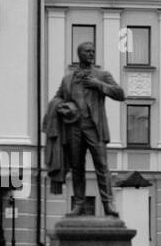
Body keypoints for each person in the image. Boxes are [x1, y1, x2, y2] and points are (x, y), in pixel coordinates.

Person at [49, 42, 125, 216]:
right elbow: (57, 99)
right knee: (77, 167)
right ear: (79, 54)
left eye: (93, 51)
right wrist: (62, 108)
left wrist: (98, 84)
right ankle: (79, 204)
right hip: (74, 127)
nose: (91, 54)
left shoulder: (102, 74)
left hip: (95, 127)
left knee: (102, 166)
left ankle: (108, 204)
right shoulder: (68, 78)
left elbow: (120, 94)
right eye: (87, 51)